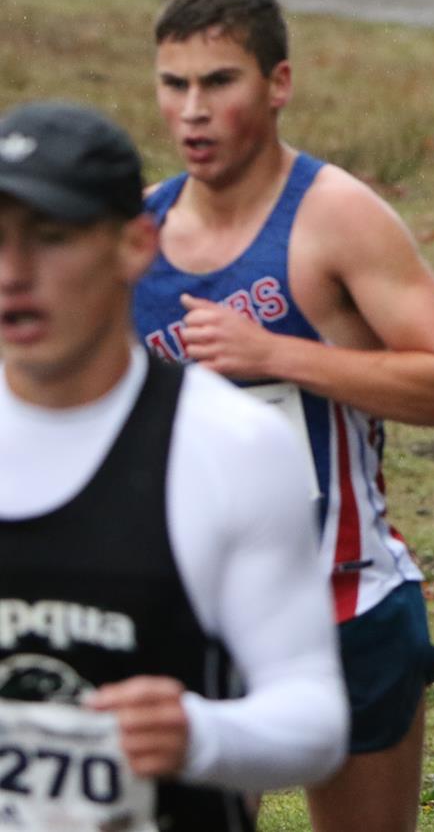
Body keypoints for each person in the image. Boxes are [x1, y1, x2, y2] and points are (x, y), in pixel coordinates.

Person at [133, 0, 434, 832]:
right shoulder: (134, 237)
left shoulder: (336, 218)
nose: (192, 110)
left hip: (348, 602)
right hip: (197, 611)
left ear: (277, 84)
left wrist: (275, 354)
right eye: (174, 84)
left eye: (219, 82)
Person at [0, 101, 348, 830]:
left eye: (52, 238)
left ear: (135, 246)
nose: (13, 273)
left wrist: (199, 735)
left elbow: (314, 717)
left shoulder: (230, 446)